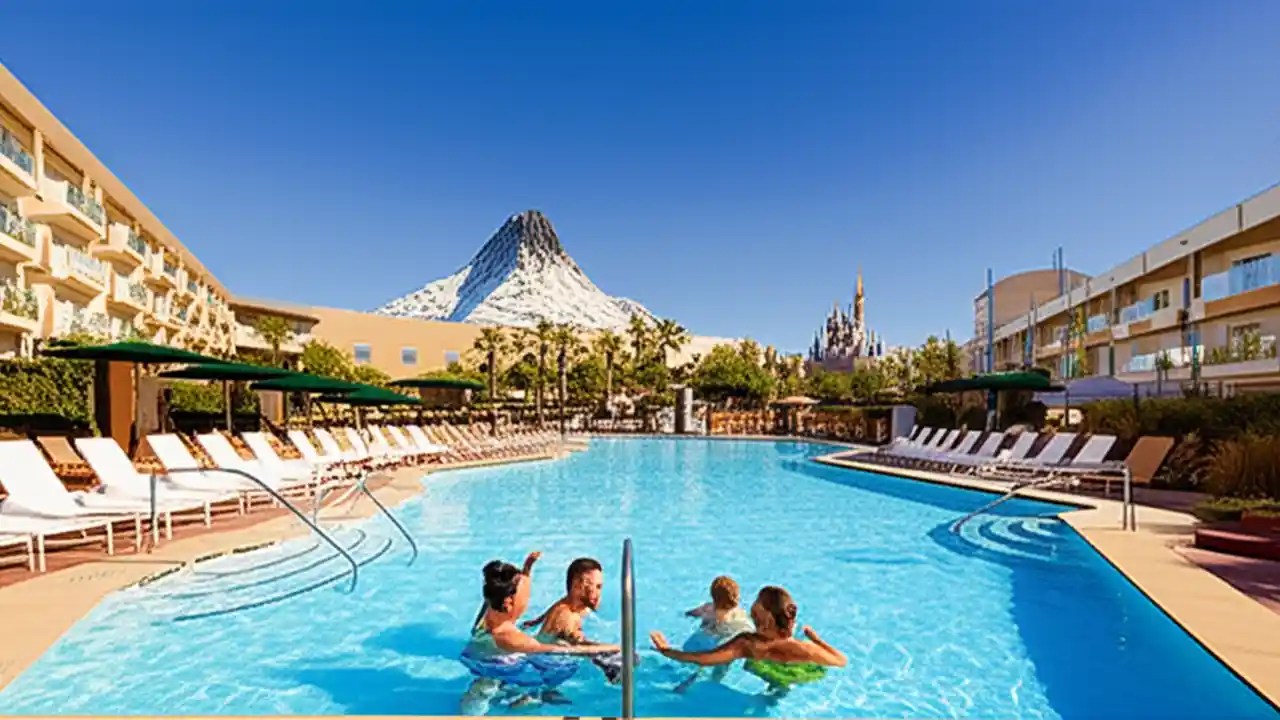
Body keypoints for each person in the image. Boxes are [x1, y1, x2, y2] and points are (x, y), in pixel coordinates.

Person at [460, 552, 618, 714]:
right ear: (508, 603)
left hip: (480, 654)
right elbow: (565, 650)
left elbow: (497, 594)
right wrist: (612, 648)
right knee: (492, 689)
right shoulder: (511, 638)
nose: (528, 599)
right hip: (493, 671)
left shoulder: (487, 618)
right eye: (526, 597)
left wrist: (527, 569)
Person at [650, 586, 846, 696]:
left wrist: (667, 650)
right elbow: (840, 661)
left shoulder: (748, 643)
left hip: (762, 665)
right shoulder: (806, 649)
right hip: (793, 672)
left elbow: (705, 658)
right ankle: (777, 693)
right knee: (780, 687)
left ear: (765, 617)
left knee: (753, 666)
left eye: (757, 601)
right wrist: (816, 640)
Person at [522, 557, 627, 684]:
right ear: (577, 586)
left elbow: (555, 608)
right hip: (545, 667)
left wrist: (536, 621)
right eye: (596, 586)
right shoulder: (568, 617)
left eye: (600, 587)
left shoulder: (569, 603)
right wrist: (614, 648)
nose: (599, 593)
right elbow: (580, 647)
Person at [673, 575, 755, 693]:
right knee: (722, 662)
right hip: (721, 643)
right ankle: (714, 681)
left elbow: (690, 613)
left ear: (713, 596)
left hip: (701, 639)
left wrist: (685, 614)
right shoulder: (741, 617)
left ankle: (689, 680)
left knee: (693, 665)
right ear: (737, 597)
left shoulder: (707, 608)